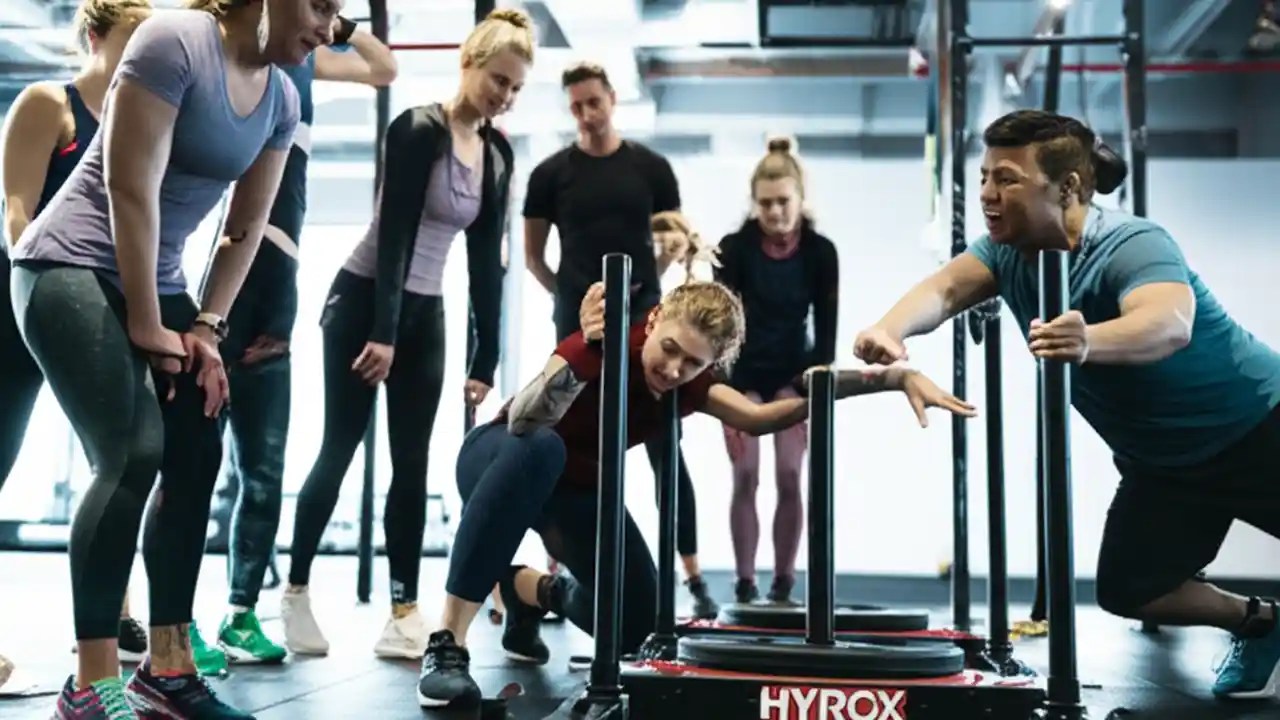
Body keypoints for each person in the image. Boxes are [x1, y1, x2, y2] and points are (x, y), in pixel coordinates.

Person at [853, 109, 1280, 701]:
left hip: (1258, 427)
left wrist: (1090, 340)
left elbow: (1169, 323)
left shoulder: (1131, 242)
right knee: (1130, 590)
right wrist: (891, 327)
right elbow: (945, 288)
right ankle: (1262, 622)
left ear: (1069, 187)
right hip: (1164, 466)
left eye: (1005, 179)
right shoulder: (1003, 255)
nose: (987, 195)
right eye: (983, 178)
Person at [415, 280, 975, 709]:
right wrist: (586, 350)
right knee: (544, 450)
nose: (674, 369)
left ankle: (528, 593)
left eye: (694, 364)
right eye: (670, 349)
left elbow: (760, 417)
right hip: (502, 457)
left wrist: (887, 380)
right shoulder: (604, 342)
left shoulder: (688, 386)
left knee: (636, 625)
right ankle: (447, 643)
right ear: (654, 319)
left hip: (574, 491)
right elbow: (525, 422)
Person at [8, 0, 312, 715]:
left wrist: (206, 326)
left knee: (197, 445)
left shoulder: (282, 97)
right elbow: (129, 186)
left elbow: (246, 224)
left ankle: (168, 671)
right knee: (133, 449)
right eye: (322, 4)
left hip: (158, 277)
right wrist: (148, 321)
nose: (330, 27)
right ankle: (91, 681)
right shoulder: (174, 40)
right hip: (64, 264)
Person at [279, 7, 531, 661]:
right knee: (341, 446)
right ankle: (296, 593)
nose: (503, 95)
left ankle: (403, 610)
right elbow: (393, 237)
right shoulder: (419, 128)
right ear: (469, 62)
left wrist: (488, 356)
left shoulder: (497, 156)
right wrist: (383, 335)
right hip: (364, 300)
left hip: (424, 313)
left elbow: (485, 263)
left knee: (413, 464)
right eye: (497, 78)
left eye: (515, 87)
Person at [194, 11, 398, 674]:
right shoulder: (229, 60)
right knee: (190, 464)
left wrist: (336, 26)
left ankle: (241, 612)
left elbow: (384, 68)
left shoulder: (305, 62)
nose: (313, 26)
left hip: (279, 280)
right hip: (218, 274)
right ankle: (169, 620)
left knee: (264, 468)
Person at [524, 61, 719, 618]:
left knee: (664, 449)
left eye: (594, 102)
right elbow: (536, 257)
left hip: (647, 319)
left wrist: (654, 280)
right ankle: (560, 568)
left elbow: (676, 240)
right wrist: (571, 302)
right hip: (578, 325)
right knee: (566, 446)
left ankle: (693, 577)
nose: (586, 114)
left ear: (613, 98)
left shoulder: (650, 168)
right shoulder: (549, 174)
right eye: (577, 106)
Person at [0, 0, 153, 673]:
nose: (144, 57)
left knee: (115, 457)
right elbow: (17, 217)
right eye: (131, 40)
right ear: (94, 36)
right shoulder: (47, 103)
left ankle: (112, 610)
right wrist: (56, 301)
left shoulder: (142, 118)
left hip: (101, 307)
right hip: (26, 304)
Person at [713, 137, 840, 606]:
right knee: (745, 475)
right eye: (765, 203)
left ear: (800, 199)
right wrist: (722, 395)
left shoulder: (821, 253)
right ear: (754, 204)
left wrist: (816, 391)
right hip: (742, 374)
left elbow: (826, 333)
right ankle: (745, 582)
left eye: (784, 201)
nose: (775, 211)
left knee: (790, 473)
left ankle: (783, 581)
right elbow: (715, 326)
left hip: (793, 372)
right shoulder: (734, 249)